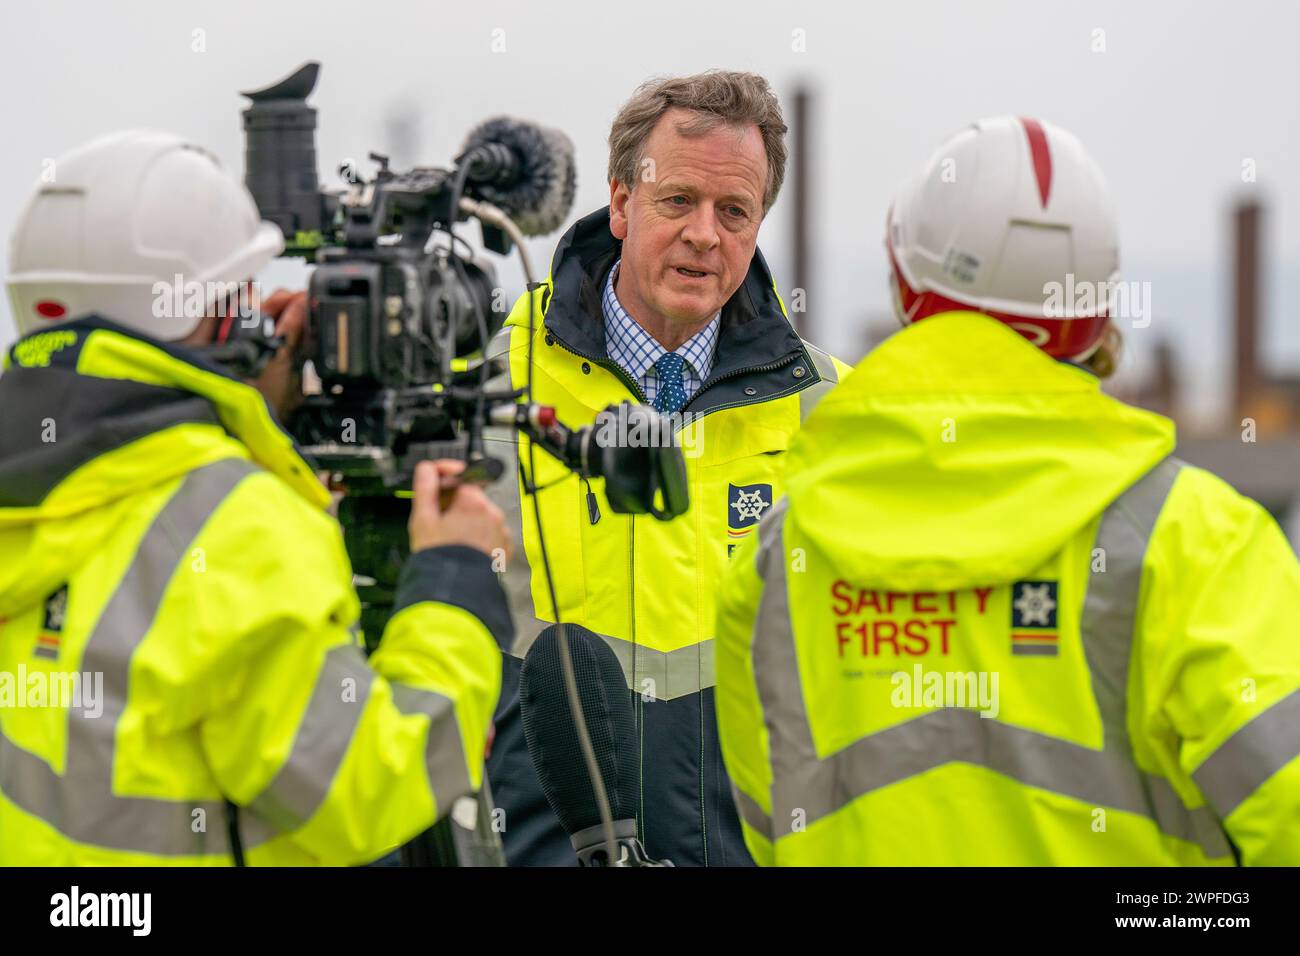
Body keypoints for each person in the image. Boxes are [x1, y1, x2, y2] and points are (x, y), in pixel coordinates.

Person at [715, 116, 1300, 866]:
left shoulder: (775, 563)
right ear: (1094, 313)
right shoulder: (1196, 541)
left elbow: (768, 826)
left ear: (903, 284)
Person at [0, 129, 512, 865]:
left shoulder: (38, 483)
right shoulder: (238, 526)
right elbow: (365, 787)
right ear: (215, 313)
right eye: (241, 293)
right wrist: (457, 587)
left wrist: (248, 417)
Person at [483, 71, 852, 865]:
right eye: (677, 200)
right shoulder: (485, 388)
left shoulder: (836, 416)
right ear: (621, 204)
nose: (704, 236)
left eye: (733, 212)